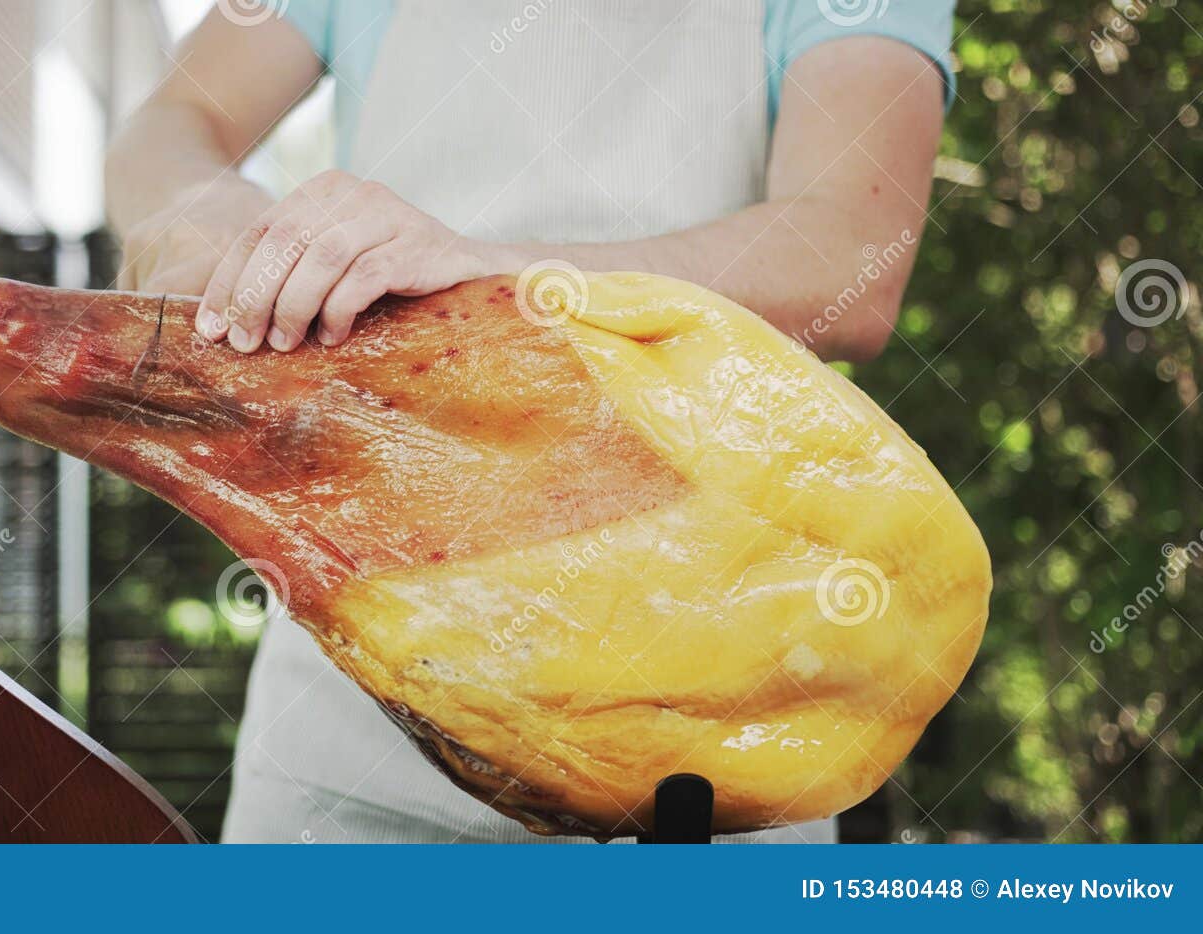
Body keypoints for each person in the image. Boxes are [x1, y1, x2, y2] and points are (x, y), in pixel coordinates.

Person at [105, 0, 955, 843]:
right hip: (345, 746)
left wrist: (509, 285)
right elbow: (176, 120)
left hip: (715, 738)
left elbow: (848, 249)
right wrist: (207, 228)